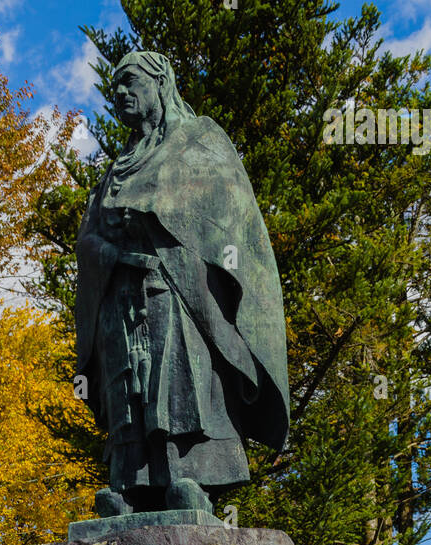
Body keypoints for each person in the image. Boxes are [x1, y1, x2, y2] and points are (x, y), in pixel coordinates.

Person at [74, 50, 290, 517]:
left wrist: (152, 216)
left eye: (131, 82)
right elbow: (87, 236)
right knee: (127, 385)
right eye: (114, 87)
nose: (121, 94)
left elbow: (225, 210)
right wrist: (108, 251)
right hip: (120, 290)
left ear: (161, 83)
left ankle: (190, 475)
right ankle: (129, 483)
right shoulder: (117, 168)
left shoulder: (199, 140)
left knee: (178, 381)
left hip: (176, 286)